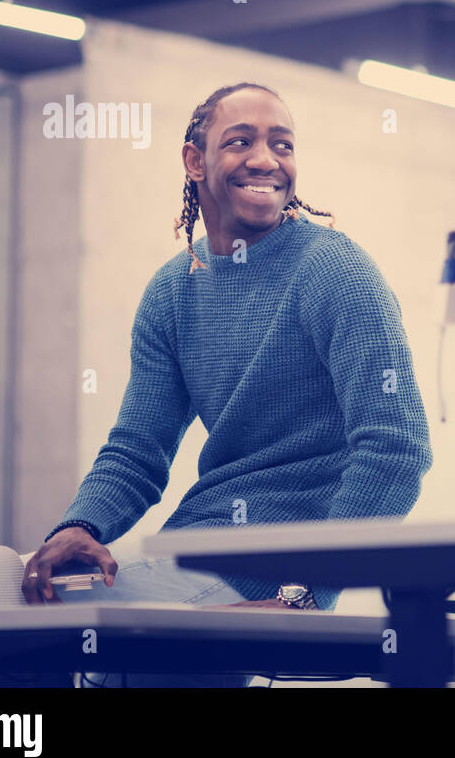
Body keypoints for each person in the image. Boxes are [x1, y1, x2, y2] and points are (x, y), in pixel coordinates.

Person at [21, 82, 433, 682]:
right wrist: (81, 525)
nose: (266, 160)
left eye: (283, 145)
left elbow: (397, 449)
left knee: (91, 654)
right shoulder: (172, 290)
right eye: (240, 141)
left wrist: (304, 595)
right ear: (195, 162)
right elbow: (139, 448)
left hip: (270, 571)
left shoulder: (336, 272)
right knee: (16, 626)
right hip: (192, 549)